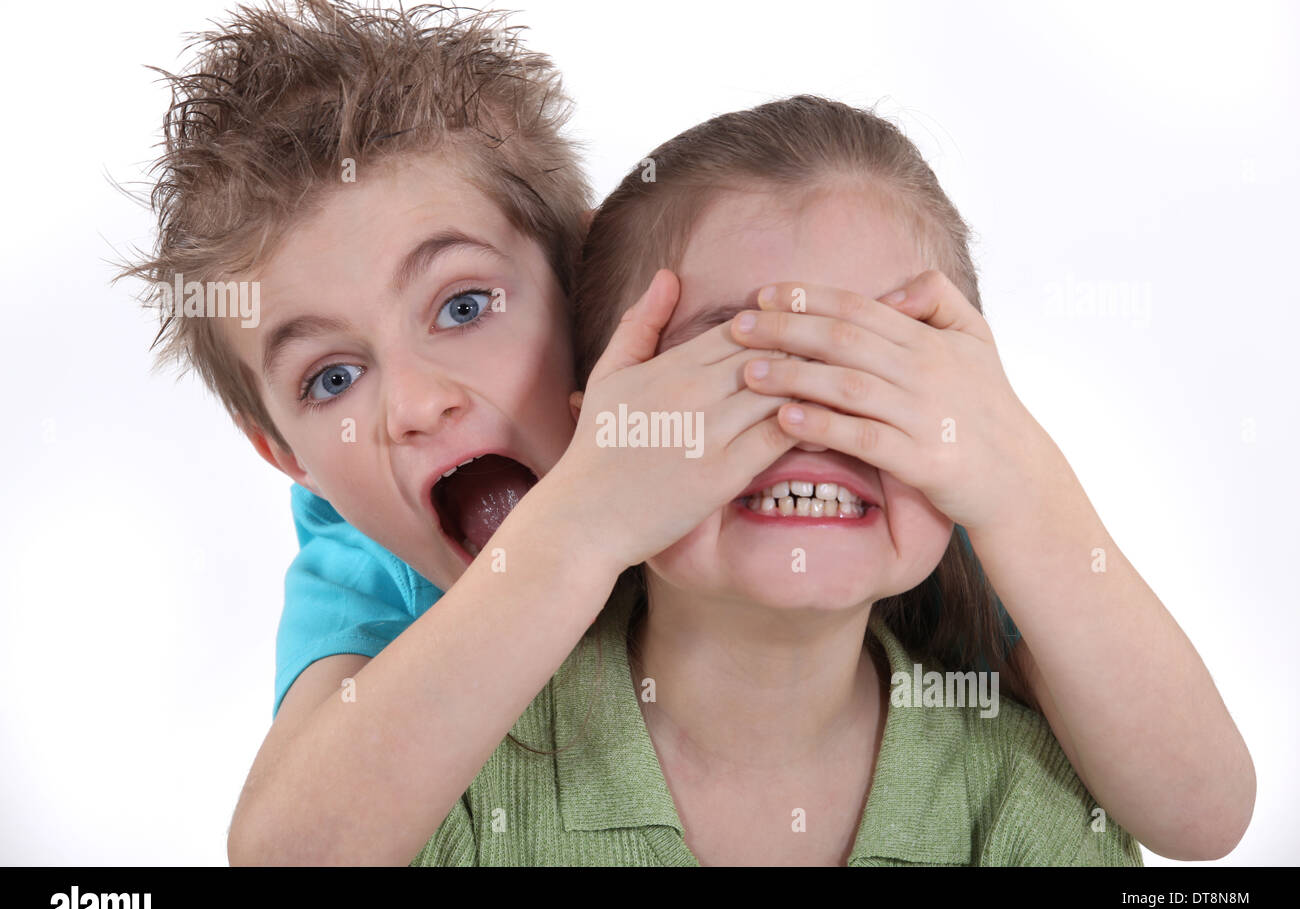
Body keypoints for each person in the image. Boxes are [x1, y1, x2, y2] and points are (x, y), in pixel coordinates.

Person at [120, 1, 1252, 863]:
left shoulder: (901, 505)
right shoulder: (365, 561)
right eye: (329, 375)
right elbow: (292, 851)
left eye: (463, 306)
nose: (415, 401)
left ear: (590, 300)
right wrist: (583, 522)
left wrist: (1014, 471)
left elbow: (1200, 811)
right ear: (280, 450)